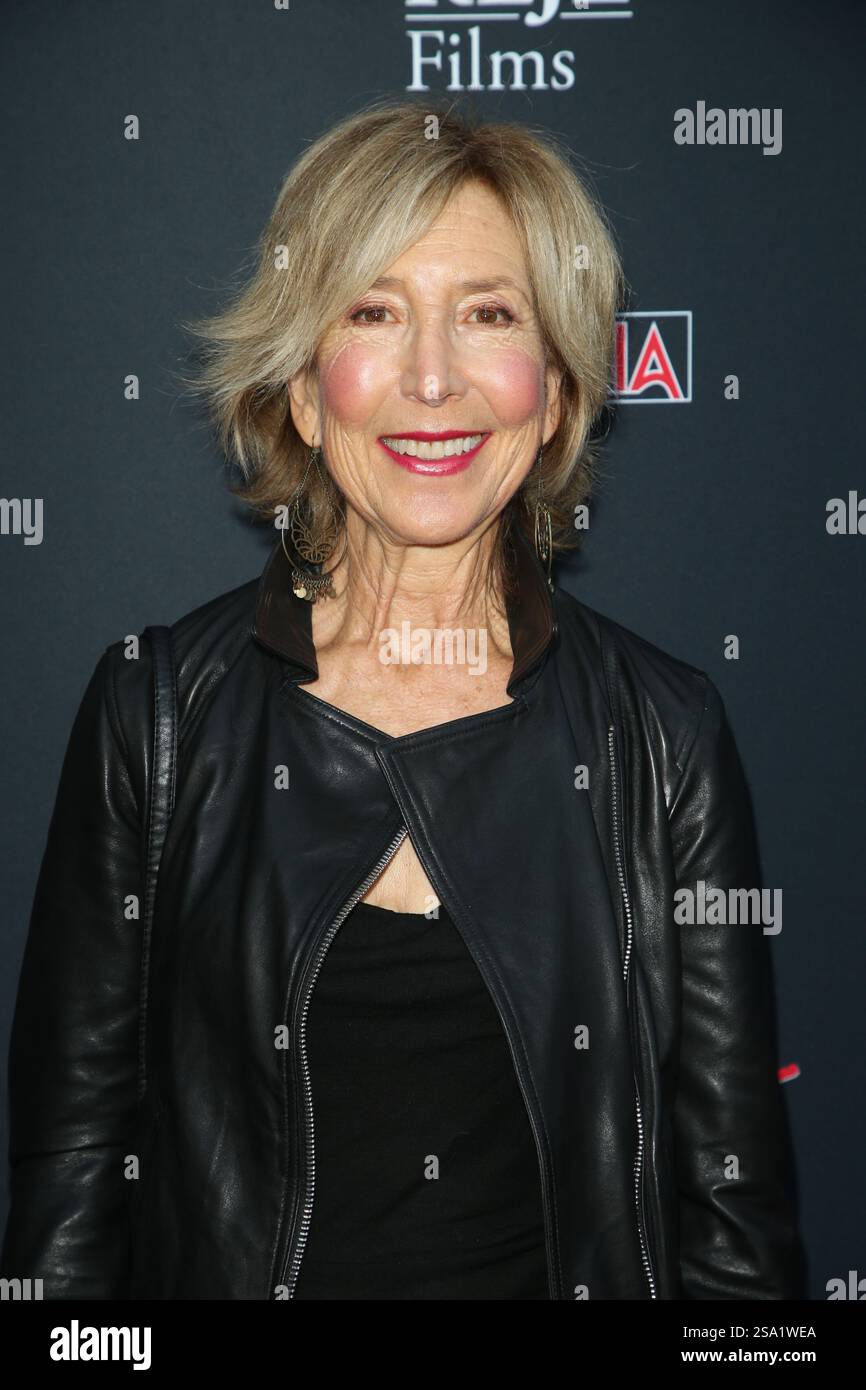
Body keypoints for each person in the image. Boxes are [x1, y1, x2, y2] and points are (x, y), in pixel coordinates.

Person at [0, 97, 806, 1300]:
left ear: (552, 392)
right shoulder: (157, 717)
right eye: (374, 312)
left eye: (487, 315)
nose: (433, 379)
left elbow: (733, 1219)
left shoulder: (661, 734)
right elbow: (69, 1189)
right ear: (308, 388)